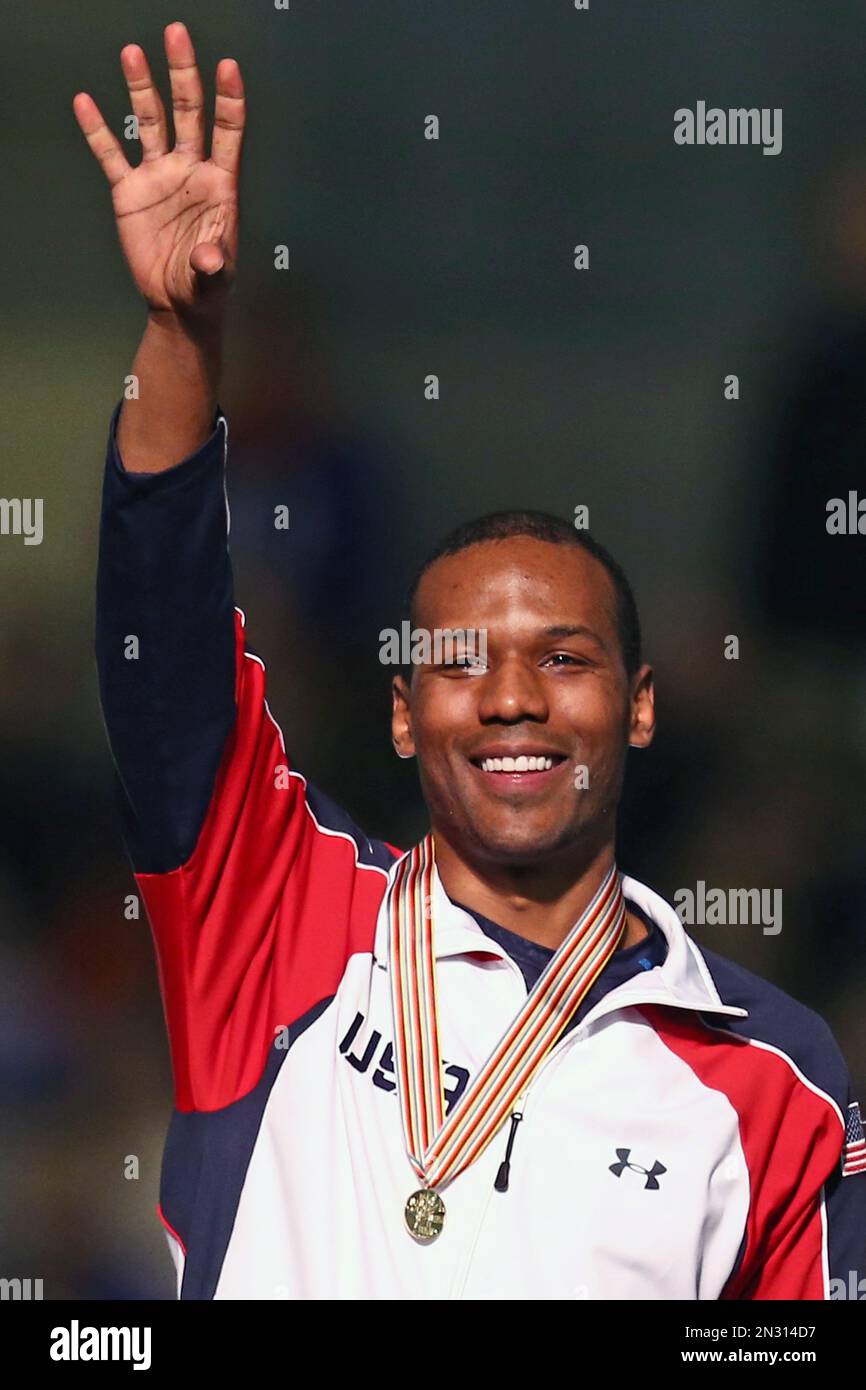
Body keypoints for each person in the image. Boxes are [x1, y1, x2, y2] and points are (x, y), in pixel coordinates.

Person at [75, 22, 866, 1300]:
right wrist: (179, 332)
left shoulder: (775, 1079)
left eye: (562, 658)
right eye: (461, 660)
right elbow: (160, 643)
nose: (510, 697)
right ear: (400, 713)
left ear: (640, 706)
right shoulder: (278, 910)